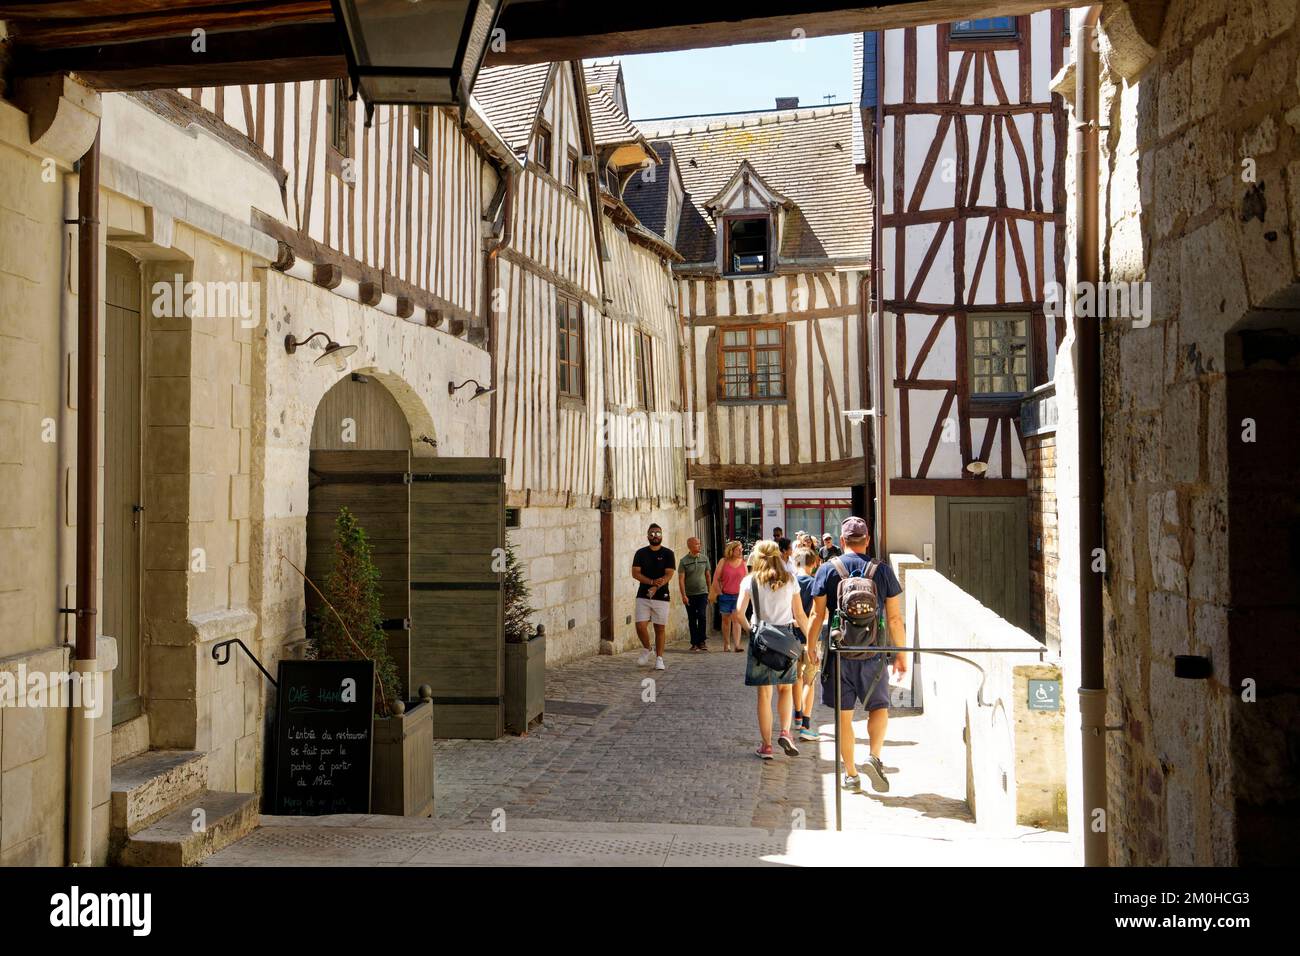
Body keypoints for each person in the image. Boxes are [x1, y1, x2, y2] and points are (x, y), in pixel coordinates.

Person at [806, 516, 907, 793]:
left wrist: (810, 648)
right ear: (868, 540)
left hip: (839, 654)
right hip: (873, 655)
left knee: (844, 718)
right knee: (879, 708)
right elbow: (896, 618)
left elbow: (816, 615)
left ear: (841, 541)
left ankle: (851, 774)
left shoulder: (828, 569)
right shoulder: (882, 570)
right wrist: (900, 654)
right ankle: (873, 756)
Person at [734, 540, 814, 759]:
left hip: (761, 638)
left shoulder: (750, 581)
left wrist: (751, 632)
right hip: (786, 639)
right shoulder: (790, 580)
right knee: (786, 689)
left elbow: (738, 613)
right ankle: (786, 732)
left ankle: (766, 746)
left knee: (764, 694)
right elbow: (799, 615)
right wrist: (811, 642)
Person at [631, 524, 675, 671]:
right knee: (640, 625)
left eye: (658, 533)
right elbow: (635, 573)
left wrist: (656, 587)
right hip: (643, 594)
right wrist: (650, 582)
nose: (655, 536)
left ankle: (659, 658)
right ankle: (647, 648)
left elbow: (669, 574)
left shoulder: (668, 553)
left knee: (660, 628)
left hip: (661, 595)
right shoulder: (641, 553)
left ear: (661, 535)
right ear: (647, 535)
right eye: (652, 533)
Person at [792, 547, 822, 741]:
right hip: (811, 638)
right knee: (809, 681)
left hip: (791, 638)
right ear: (814, 563)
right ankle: (806, 722)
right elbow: (819, 614)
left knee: (796, 677)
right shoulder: (815, 584)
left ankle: (796, 714)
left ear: (796, 563)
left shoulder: (790, 583)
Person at [709, 540, 748, 652]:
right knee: (726, 621)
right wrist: (720, 592)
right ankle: (727, 644)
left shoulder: (743, 563)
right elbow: (716, 578)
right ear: (731, 550)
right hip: (725, 595)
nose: (741, 551)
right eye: (738, 549)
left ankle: (737, 645)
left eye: (741, 549)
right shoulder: (723, 561)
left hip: (738, 596)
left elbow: (746, 580)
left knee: (736, 619)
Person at [678, 537, 712, 652]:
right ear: (690, 546)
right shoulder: (683, 561)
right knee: (692, 618)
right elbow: (681, 579)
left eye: (699, 543)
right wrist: (683, 595)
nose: (699, 545)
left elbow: (708, 576)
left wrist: (710, 591)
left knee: (702, 616)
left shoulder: (704, 559)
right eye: (697, 544)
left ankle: (702, 641)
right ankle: (694, 643)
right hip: (690, 594)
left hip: (702, 593)